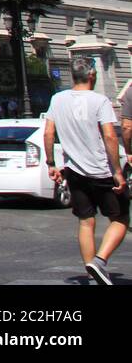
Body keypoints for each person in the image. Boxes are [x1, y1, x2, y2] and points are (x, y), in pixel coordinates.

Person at [43, 55, 127, 285]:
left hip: (74, 171)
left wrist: (51, 163)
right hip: (101, 170)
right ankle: (99, 262)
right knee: (120, 218)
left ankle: (92, 273)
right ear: (92, 75)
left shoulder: (57, 99)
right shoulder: (99, 100)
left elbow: (49, 133)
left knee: (86, 221)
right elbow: (110, 135)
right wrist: (118, 171)